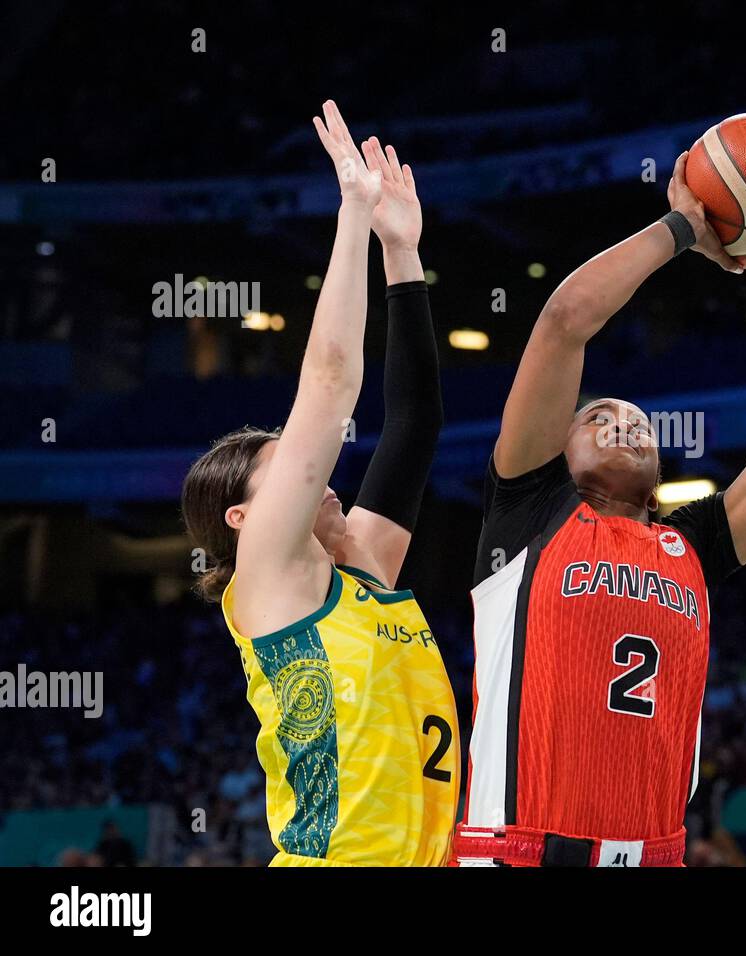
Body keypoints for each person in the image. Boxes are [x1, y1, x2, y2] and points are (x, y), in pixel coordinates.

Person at [455, 145, 746, 866]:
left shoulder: (694, 545)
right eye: (598, 415)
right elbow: (564, 321)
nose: (622, 417)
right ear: (560, 449)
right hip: (520, 849)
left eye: (636, 416)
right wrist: (681, 227)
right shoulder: (528, 509)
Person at [181, 101, 458, 866]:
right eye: (291, 473)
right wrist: (352, 215)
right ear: (243, 518)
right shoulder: (270, 576)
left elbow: (415, 424)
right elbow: (331, 384)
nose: (324, 481)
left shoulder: (362, 567)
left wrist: (402, 253)